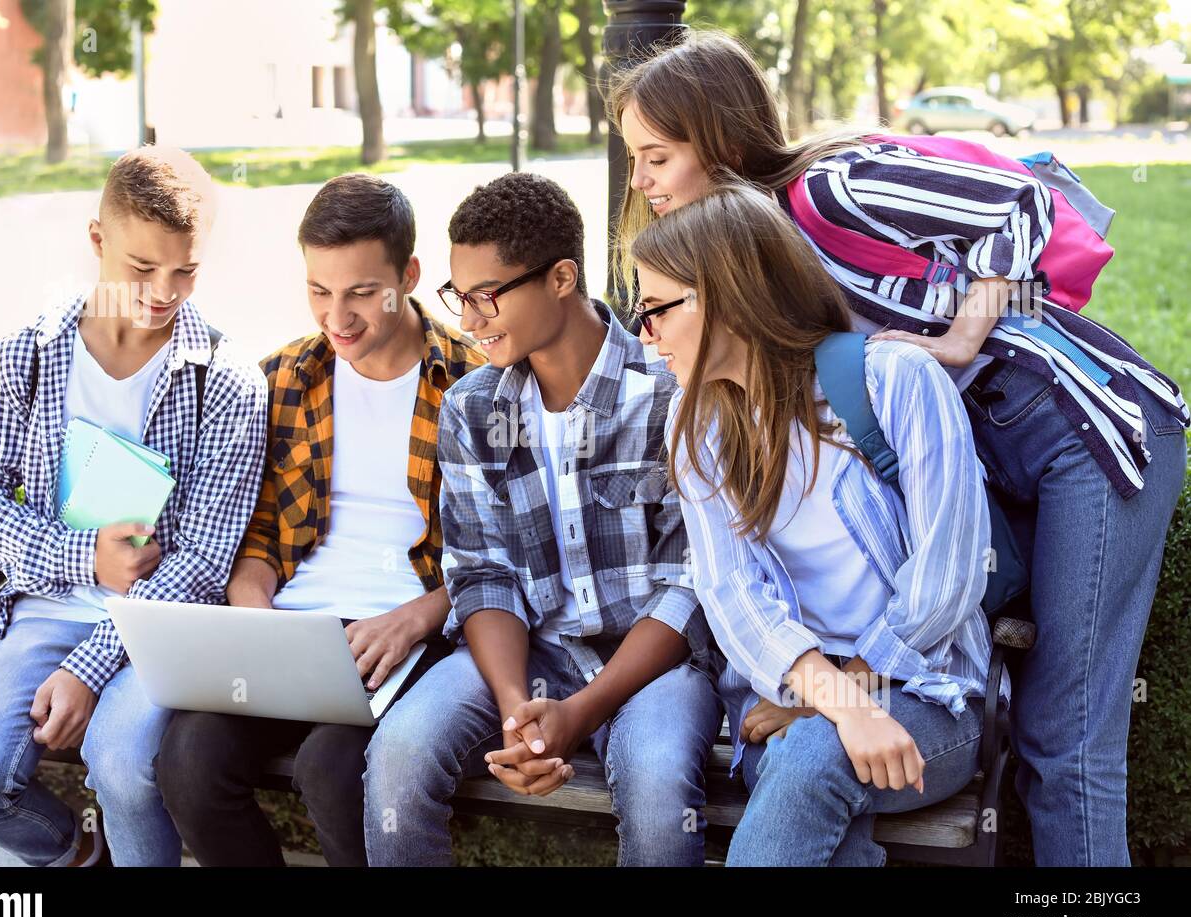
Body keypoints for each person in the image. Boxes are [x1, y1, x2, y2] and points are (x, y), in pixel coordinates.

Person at [609, 30, 1188, 866]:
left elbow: (1019, 204)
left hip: (1077, 429)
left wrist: (959, 336)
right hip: (986, 446)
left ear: (721, 139)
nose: (641, 182)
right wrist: (835, 692)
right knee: (865, 738)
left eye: (656, 157)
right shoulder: (750, 258)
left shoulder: (828, 191)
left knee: (1065, 736)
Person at [634, 179, 1005, 865]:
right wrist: (830, 700)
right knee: (818, 791)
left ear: (728, 297)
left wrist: (842, 700)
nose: (644, 331)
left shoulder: (894, 383)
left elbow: (948, 579)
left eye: (656, 308)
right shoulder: (698, 431)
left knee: (811, 754)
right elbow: (733, 596)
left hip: (927, 695)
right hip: (786, 702)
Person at [363, 172, 721, 866]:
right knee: (399, 755)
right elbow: (482, 573)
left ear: (561, 278)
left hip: (653, 665)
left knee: (656, 789)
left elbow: (692, 585)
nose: (469, 320)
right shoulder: (473, 408)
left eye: (487, 296)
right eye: (459, 297)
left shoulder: (669, 391)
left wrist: (579, 713)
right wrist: (515, 713)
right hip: (528, 656)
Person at [0, 146, 268, 866]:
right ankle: (79, 856)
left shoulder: (228, 381)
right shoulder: (24, 356)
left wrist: (89, 665)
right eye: (142, 268)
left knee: (121, 764)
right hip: (46, 609)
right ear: (97, 240)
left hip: (159, 628)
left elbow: (205, 559)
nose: (162, 292)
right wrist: (84, 557)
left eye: (185, 271)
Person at [155, 173, 486, 866]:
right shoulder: (282, 378)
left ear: (409, 275)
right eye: (319, 291)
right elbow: (261, 536)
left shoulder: (472, 382)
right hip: (297, 632)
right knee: (189, 758)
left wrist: (420, 615)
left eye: (362, 292)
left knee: (333, 770)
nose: (337, 317)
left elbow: (507, 553)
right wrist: (253, 608)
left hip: (408, 637)